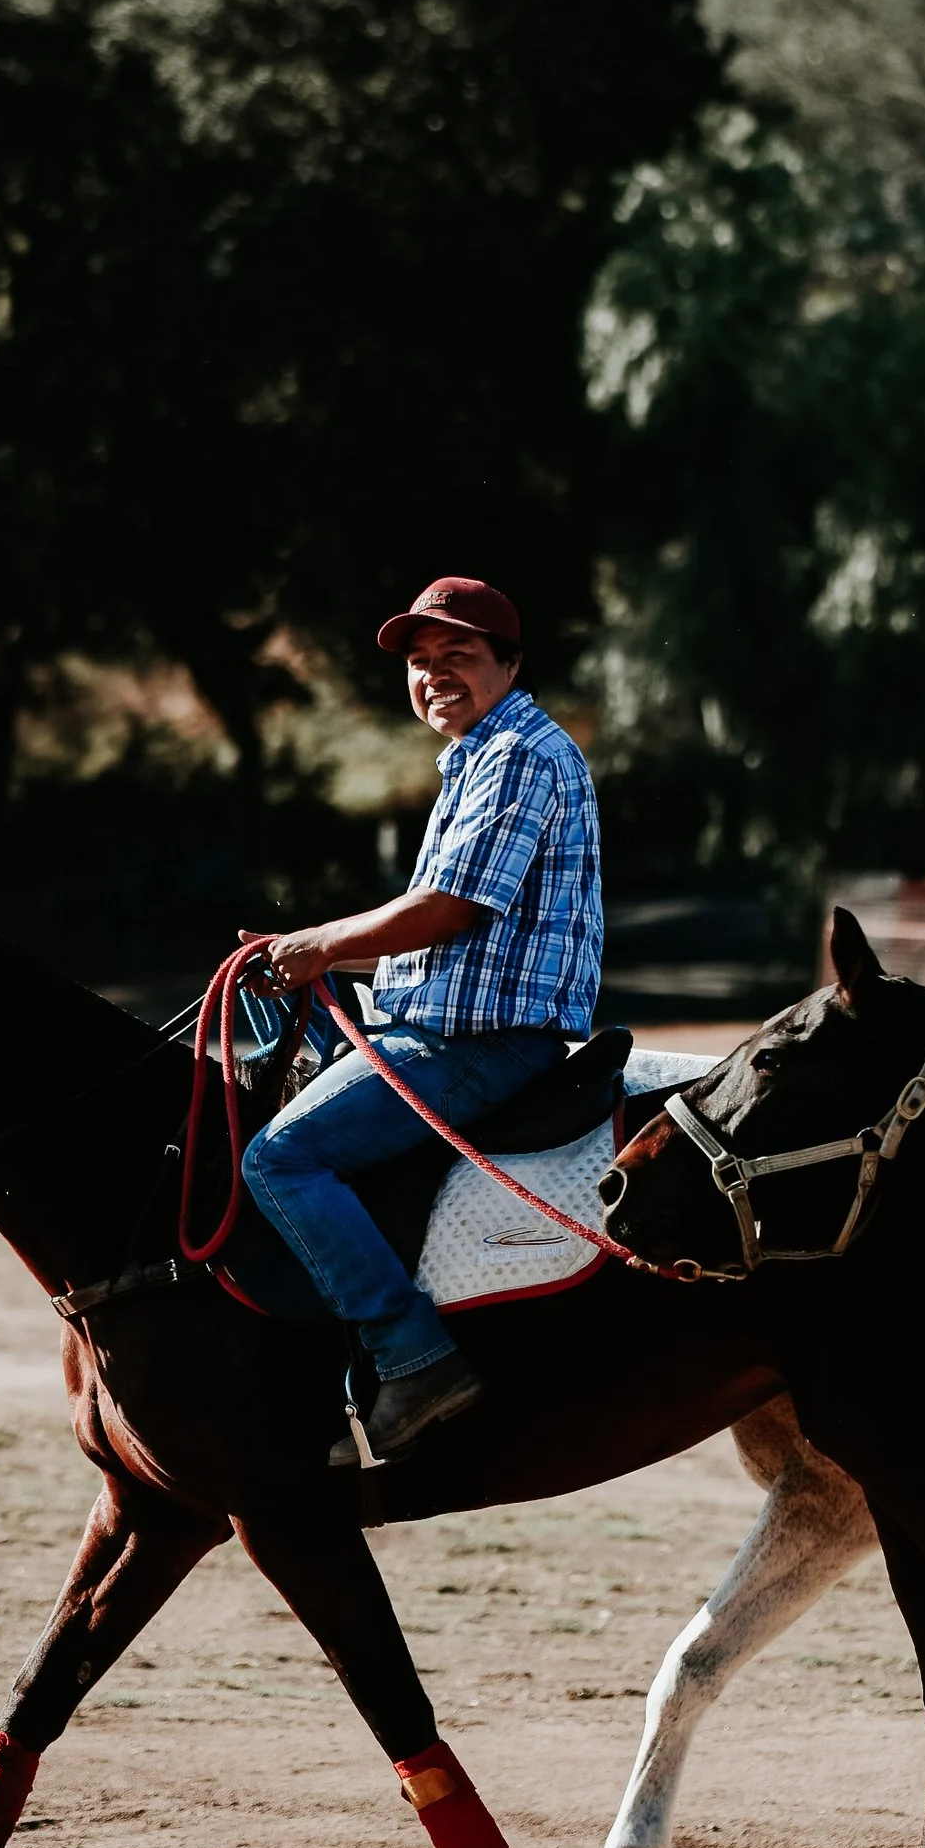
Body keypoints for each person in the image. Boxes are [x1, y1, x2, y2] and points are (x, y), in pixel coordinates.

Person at [241, 575, 603, 1465]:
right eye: (420, 661)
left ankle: (413, 1354)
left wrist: (322, 943)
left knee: (280, 1157)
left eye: (459, 656)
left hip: (481, 1045)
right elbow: (445, 939)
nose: (435, 674)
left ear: (511, 664)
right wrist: (302, 954)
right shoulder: (479, 756)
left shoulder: (520, 753)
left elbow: (450, 910)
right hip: (451, 1021)